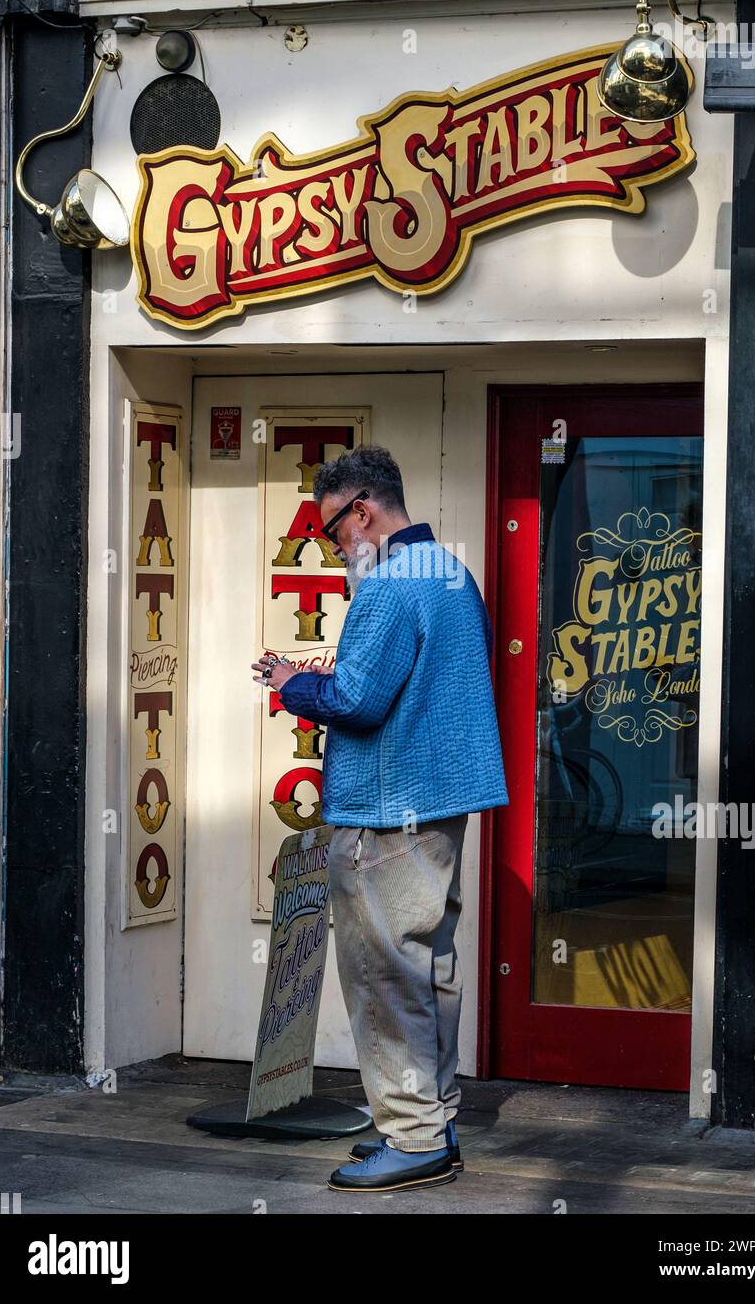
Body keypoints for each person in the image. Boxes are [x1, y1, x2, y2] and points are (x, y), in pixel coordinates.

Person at [252, 446, 508, 1193]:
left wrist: (293, 682)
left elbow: (359, 702)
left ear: (362, 511)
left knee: (383, 978)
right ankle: (433, 1122)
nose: (336, 547)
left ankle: (415, 1138)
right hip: (441, 807)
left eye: (334, 533)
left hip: (384, 815)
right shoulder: (452, 575)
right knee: (432, 972)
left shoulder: (390, 588)